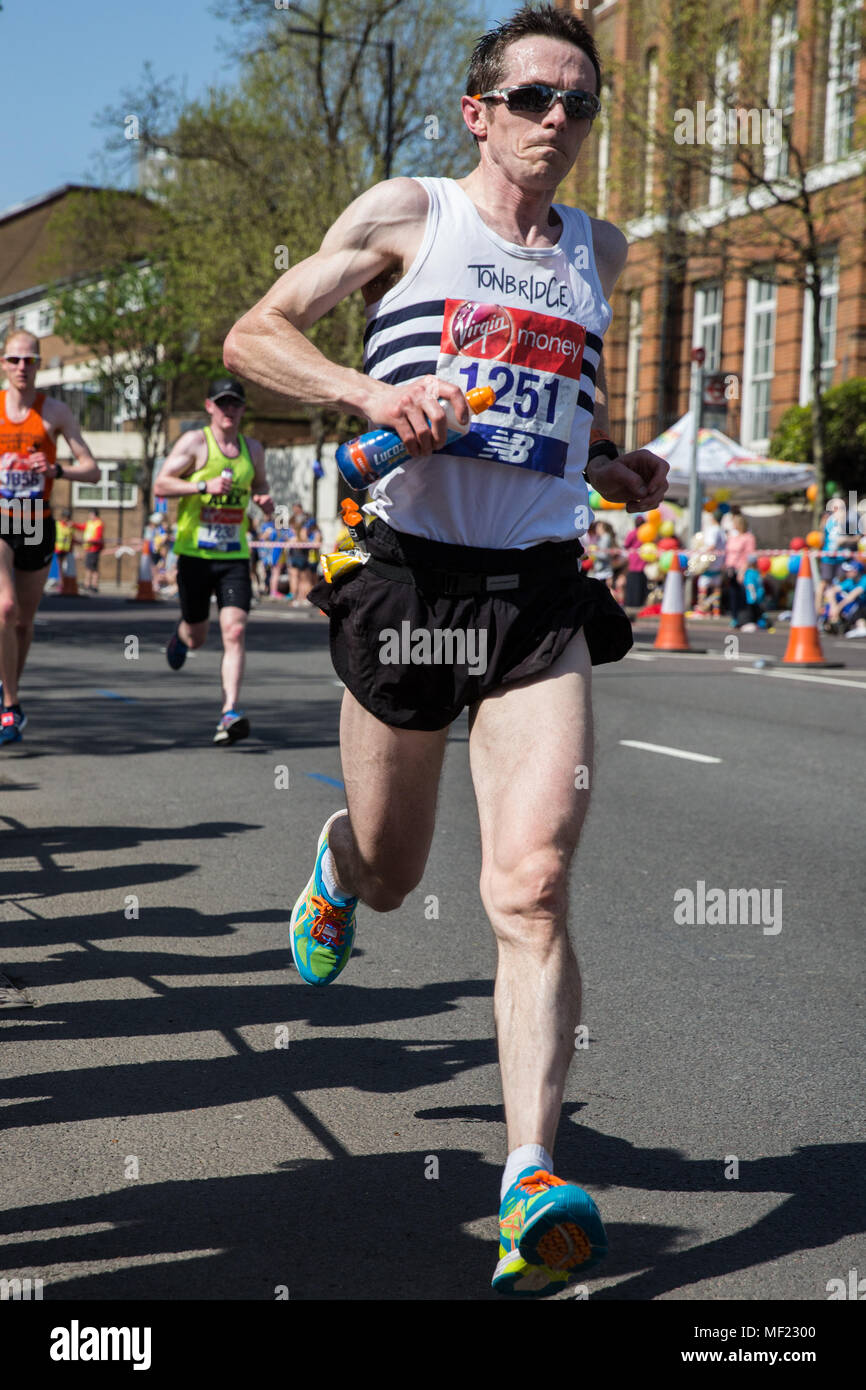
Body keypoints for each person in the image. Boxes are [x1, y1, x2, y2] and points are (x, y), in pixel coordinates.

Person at [224, 3, 668, 1297]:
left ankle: (530, 1169)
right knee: (394, 863)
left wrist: (611, 463)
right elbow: (254, 336)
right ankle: (339, 859)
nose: (556, 122)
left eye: (578, 104)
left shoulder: (604, 250)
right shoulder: (407, 214)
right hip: (407, 580)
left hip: (535, 588)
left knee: (527, 884)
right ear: (478, 112)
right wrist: (368, 395)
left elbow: (550, 417)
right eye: (532, 97)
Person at [153, 378, 274, 745]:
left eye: (235, 404)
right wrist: (202, 487)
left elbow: (262, 487)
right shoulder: (194, 442)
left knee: (234, 631)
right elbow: (161, 485)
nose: (229, 410)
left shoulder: (252, 449)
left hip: (234, 556)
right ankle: (181, 637)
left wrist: (265, 502)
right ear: (209, 407)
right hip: (194, 555)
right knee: (198, 636)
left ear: (242, 408)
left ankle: (230, 712)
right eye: (222, 404)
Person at [0, 330, 100, 743]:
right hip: (2, 518)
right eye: (15, 360)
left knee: (23, 622)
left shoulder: (55, 411)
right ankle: (8, 706)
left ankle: (12, 696)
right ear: (3, 364)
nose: (23, 367)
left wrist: (56, 471)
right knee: (4, 609)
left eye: (31, 360)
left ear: (40, 364)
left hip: (36, 521)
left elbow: (91, 469)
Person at [724, 513, 757, 627]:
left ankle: (745, 618)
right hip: (731, 569)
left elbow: (750, 556)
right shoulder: (733, 537)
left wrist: (742, 571)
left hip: (742, 569)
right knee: (733, 595)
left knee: (744, 595)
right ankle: (735, 618)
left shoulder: (748, 538)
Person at [82, 508, 104, 592]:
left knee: (90, 567)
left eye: (90, 514)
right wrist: (73, 525)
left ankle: (89, 584)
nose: (89, 516)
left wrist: (89, 540)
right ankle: (92, 585)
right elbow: (82, 527)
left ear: (94, 514)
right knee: (92, 567)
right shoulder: (90, 523)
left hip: (94, 548)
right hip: (90, 548)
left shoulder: (98, 524)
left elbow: (98, 537)